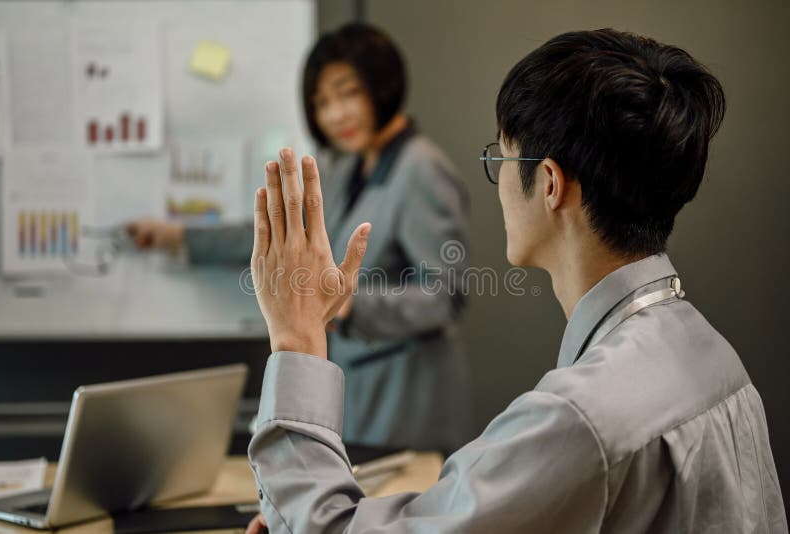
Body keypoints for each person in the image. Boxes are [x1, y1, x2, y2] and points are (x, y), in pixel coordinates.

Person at [244, 29, 787, 533]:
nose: (499, 179)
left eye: (501, 157)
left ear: (549, 183)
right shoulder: (716, 357)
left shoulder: (577, 420)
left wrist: (297, 339)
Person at [128, 24, 472, 454]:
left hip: (405, 402)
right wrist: (179, 236)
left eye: (348, 94)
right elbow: (280, 237)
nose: (335, 115)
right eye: (321, 103)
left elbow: (444, 297)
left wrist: (347, 304)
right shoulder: (348, 167)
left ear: (383, 85)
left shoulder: (422, 168)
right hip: (357, 394)